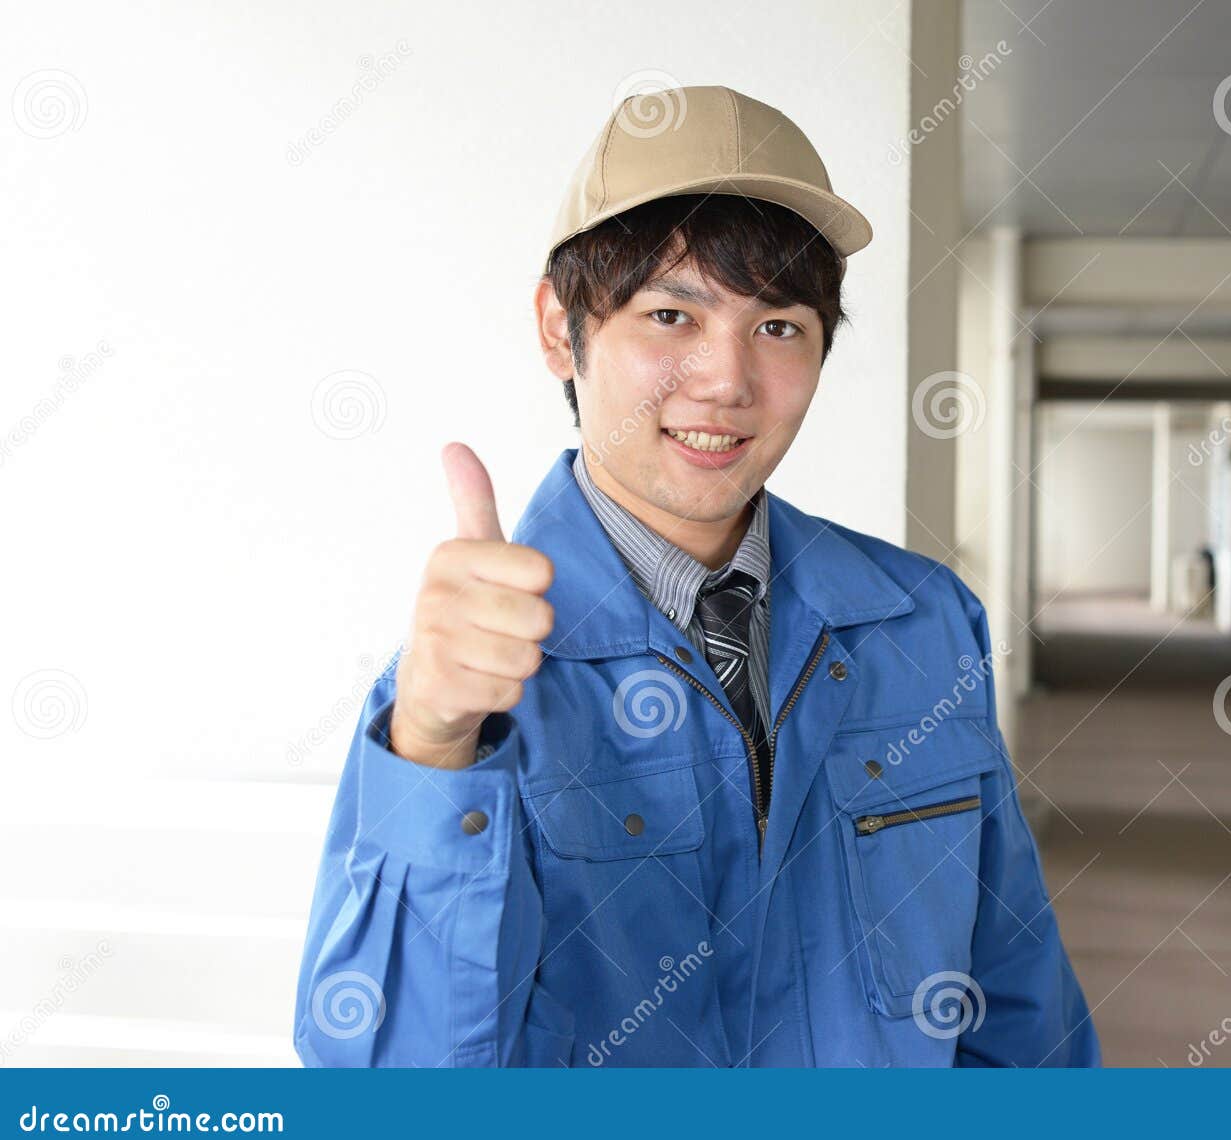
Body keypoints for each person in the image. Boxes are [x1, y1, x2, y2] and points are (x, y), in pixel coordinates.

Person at [293, 84, 1100, 1068]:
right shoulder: (464, 685)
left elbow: (1019, 1005)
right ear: (558, 327)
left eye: (779, 326)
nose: (726, 381)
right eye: (671, 314)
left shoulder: (921, 620)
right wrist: (432, 748)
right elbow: (392, 1080)